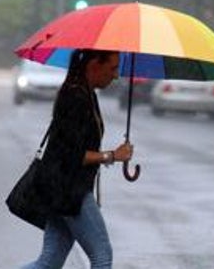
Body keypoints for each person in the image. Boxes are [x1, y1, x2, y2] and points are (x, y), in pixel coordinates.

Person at [22, 49, 133, 269]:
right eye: (112, 68)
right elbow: (72, 155)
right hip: (69, 190)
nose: (116, 75)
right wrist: (113, 155)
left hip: (60, 188)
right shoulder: (76, 97)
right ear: (94, 65)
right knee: (102, 255)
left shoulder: (84, 92)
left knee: (49, 262)